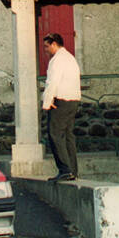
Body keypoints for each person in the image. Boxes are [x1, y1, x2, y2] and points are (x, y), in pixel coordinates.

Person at [41, 34, 81, 182]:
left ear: (54, 44)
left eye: (47, 46)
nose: (45, 50)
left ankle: (65, 169)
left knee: (55, 134)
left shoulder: (56, 60)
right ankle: (73, 170)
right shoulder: (71, 58)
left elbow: (52, 81)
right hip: (73, 99)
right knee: (68, 135)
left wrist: (47, 102)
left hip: (61, 100)